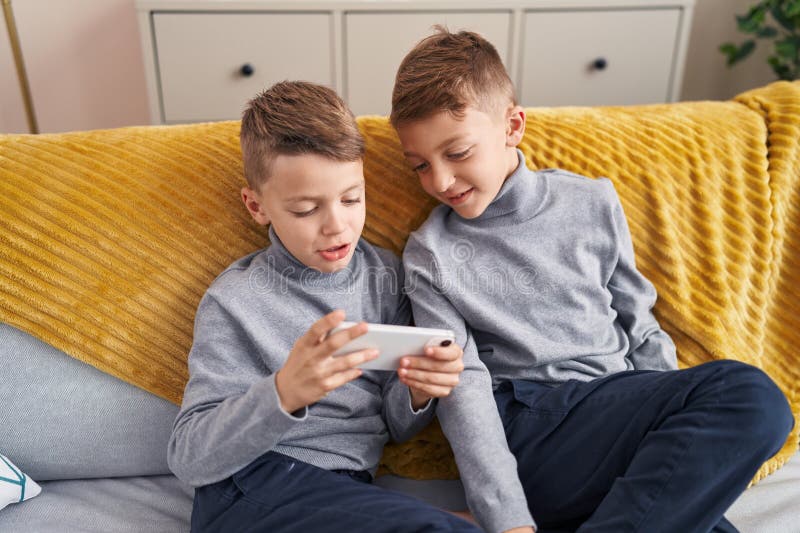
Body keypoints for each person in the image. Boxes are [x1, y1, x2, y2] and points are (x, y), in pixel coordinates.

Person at [391, 28, 794, 533]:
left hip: (619, 414)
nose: (441, 181)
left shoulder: (592, 202)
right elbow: (465, 393)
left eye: (458, 153)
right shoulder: (432, 253)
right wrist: (509, 520)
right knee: (752, 396)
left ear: (513, 126)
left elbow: (639, 324)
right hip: (534, 432)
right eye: (420, 166)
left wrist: (663, 416)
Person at [168, 80, 480, 532]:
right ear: (257, 206)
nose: (337, 226)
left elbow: (391, 427)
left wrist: (417, 392)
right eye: (305, 209)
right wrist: (285, 392)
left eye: (352, 199)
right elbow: (189, 457)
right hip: (251, 484)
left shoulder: (387, 278)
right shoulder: (235, 300)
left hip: (345, 490)